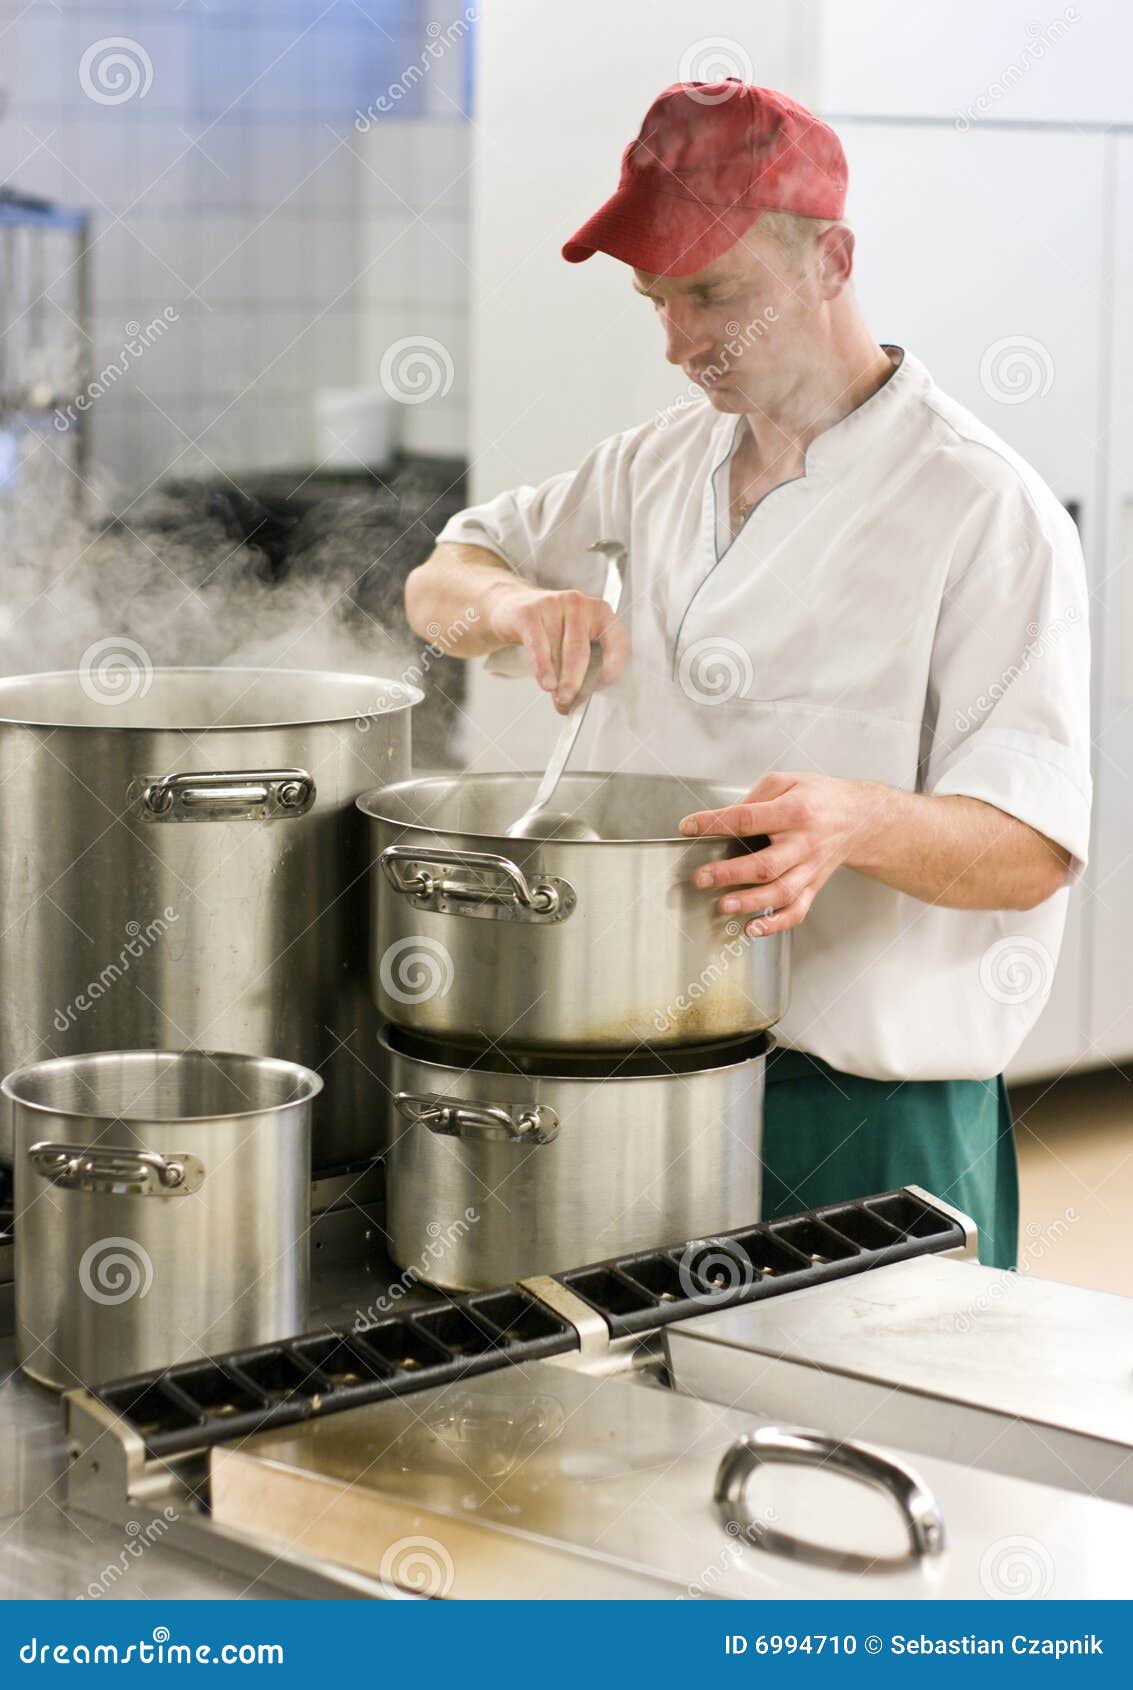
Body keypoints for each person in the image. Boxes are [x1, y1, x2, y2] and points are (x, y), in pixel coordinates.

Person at [404, 81, 1092, 1268]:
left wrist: (855, 822)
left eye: (712, 293)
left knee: (868, 1399)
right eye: (655, 300)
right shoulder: (652, 466)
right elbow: (440, 579)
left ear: (831, 261)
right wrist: (516, 607)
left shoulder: (981, 508)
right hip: (636, 1084)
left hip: (862, 1120)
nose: (678, 342)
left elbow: (1028, 849)